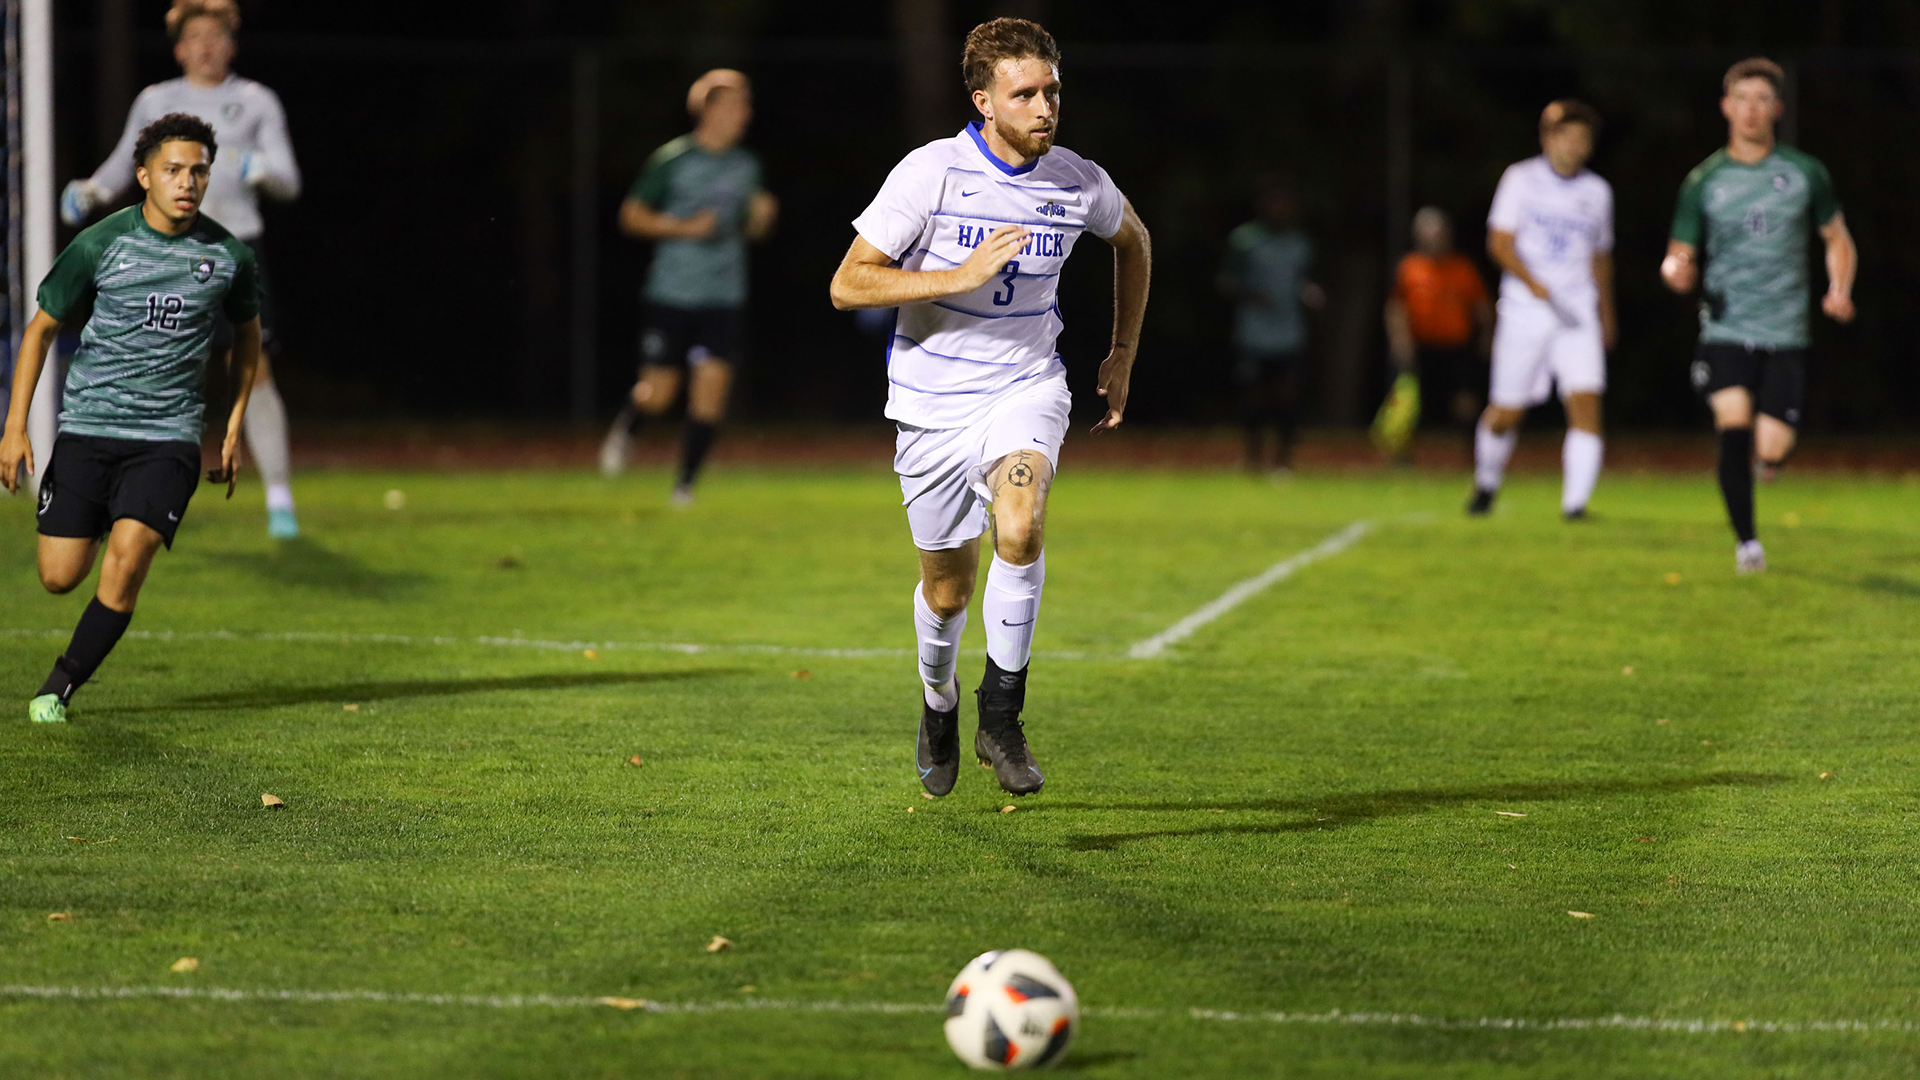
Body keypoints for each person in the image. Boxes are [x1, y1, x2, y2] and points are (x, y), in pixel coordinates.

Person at [829, 18, 1150, 798]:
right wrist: (956, 274)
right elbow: (848, 284)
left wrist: (1122, 351)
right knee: (947, 592)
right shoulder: (931, 175)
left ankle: (1000, 716)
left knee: (1022, 517)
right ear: (984, 100)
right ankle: (937, 704)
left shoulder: (1077, 180)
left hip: (1026, 387)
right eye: (1026, 93)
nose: (1045, 107)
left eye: (1052, 91)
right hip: (932, 404)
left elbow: (1134, 242)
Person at [2, 113, 260, 724]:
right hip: (89, 428)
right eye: (173, 170)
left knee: (128, 559)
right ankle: (94, 515)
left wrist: (232, 425)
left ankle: (58, 687)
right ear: (144, 176)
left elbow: (247, 339)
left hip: (168, 439)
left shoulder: (228, 257)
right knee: (59, 577)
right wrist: (14, 428)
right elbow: (40, 332)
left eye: (198, 170)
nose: (187, 182)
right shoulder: (99, 244)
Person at [61, 0, 300, 539]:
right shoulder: (158, 100)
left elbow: (289, 179)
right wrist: (93, 190)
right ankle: (118, 495)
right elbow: (129, 161)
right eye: (196, 36)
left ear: (230, 45)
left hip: (236, 251)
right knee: (146, 371)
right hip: (166, 253)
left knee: (253, 371)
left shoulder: (255, 100)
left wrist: (259, 168)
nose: (206, 46)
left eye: (215, 35)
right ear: (179, 48)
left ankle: (280, 499)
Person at [1661, 57, 1855, 574]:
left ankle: (1768, 464)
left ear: (1778, 109)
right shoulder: (1705, 180)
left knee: (1771, 447)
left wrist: (1839, 287)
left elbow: (1837, 238)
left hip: (1786, 331)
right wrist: (1676, 270)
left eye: (1762, 100)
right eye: (1742, 99)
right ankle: (1747, 543)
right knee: (1734, 423)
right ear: (1726, 107)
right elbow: (1678, 251)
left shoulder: (1804, 172)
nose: (1751, 110)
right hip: (1725, 327)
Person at [599, 70, 778, 505]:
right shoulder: (674, 160)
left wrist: (762, 217)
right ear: (711, 109)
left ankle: (684, 487)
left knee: (711, 393)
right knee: (659, 394)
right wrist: (682, 227)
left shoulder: (746, 165)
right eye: (738, 104)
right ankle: (628, 429)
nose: (746, 113)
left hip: (724, 296)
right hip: (673, 292)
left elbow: (753, 230)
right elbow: (631, 216)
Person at [1468, 100, 1616, 521]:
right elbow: (1499, 243)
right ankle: (1487, 482)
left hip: (1578, 313)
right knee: (1506, 413)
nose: (1574, 145)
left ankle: (1575, 505)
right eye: (1565, 135)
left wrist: (1606, 313)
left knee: (1586, 402)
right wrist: (1535, 285)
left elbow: (1601, 257)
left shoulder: (1597, 192)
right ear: (1546, 138)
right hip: (1525, 312)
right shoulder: (1520, 179)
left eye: (1582, 138)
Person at [1218, 176, 1323, 473]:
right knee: (1253, 396)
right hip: (1254, 333)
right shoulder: (1245, 240)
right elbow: (1226, 282)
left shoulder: (1300, 244)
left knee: (1288, 396)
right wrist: (1250, 294)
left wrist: (1310, 293)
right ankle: (1252, 457)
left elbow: (1305, 280)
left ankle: (1284, 460)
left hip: (1289, 334)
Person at [1386, 206, 1492, 439]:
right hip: (1420, 346)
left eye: (1439, 233)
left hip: (1457, 347)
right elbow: (1396, 307)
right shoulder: (1409, 267)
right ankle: (1403, 459)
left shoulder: (1463, 268)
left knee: (1466, 401)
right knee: (1410, 400)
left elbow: (1481, 307)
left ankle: (1470, 453)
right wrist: (1399, 339)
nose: (1434, 240)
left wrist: (1486, 337)